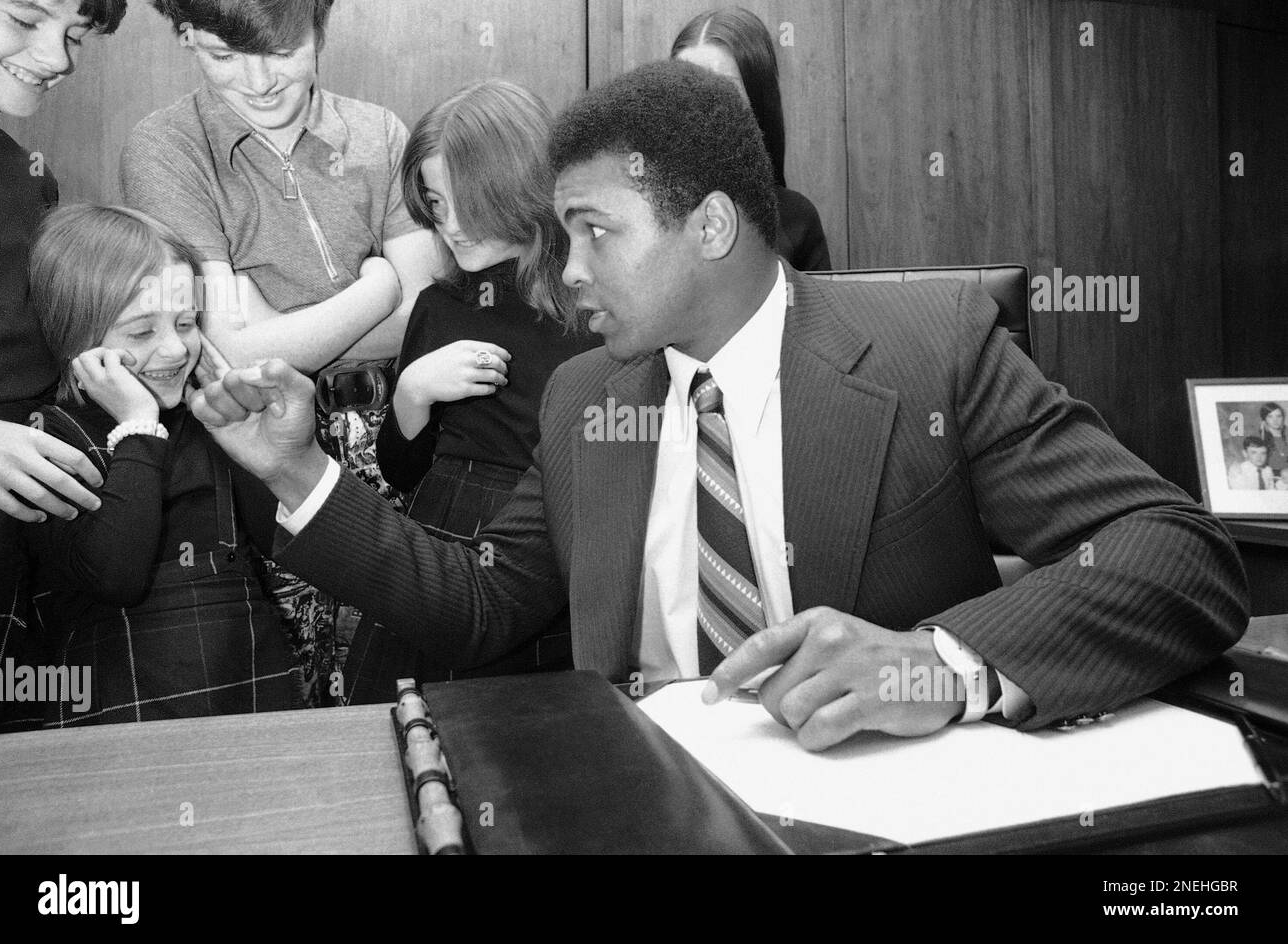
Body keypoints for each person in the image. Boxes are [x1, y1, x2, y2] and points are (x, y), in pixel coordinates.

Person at [192, 62, 1247, 751]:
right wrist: (294, 469)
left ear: (706, 226)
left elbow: (1175, 550)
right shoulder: (582, 399)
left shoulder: (937, 348)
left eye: (594, 230)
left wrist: (943, 663)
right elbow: (475, 603)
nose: (566, 266)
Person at [120, 0, 442, 707]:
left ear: (320, 27)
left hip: (406, 432)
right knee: (293, 691)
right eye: (223, 55)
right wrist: (377, 283)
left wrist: (282, 323)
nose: (259, 81)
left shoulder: (379, 132)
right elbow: (229, 351)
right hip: (261, 441)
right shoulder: (166, 148)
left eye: (281, 50)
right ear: (184, 38)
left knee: (410, 676)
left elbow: (428, 315)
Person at [346, 80, 598, 700]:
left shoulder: (596, 304)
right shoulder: (439, 305)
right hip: (443, 547)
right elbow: (403, 474)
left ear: (522, 189)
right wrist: (411, 392)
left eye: (469, 203)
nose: (450, 226)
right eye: (434, 203)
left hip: (556, 550)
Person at [25, 204, 299, 725]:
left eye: (187, 323)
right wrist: (137, 425)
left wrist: (249, 434)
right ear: (75, 334)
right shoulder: (49, 435)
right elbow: (116, 576)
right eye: (141, 332)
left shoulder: (201, 417)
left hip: (248, 681)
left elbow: (270, 541)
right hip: (126, 701)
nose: (175, 348)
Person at [0, 0, 126, 734]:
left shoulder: (20, 167)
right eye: (23, 19)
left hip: (19, 523)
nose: (58, 58)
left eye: (72, 34)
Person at [672, 5, 831, 271]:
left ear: (757, 100)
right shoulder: (639, 211)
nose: (701, 106)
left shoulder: (795, 217)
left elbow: (813, 312)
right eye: (687, 87)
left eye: (725, 89)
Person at [1258, 403, 1287, 476]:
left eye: (1279, 416)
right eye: (1270, 416)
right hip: (1272, 476)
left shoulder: (1286, 432)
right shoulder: (1260, 437)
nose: (1275, 420)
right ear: (1264, 419)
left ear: (1283, 418)